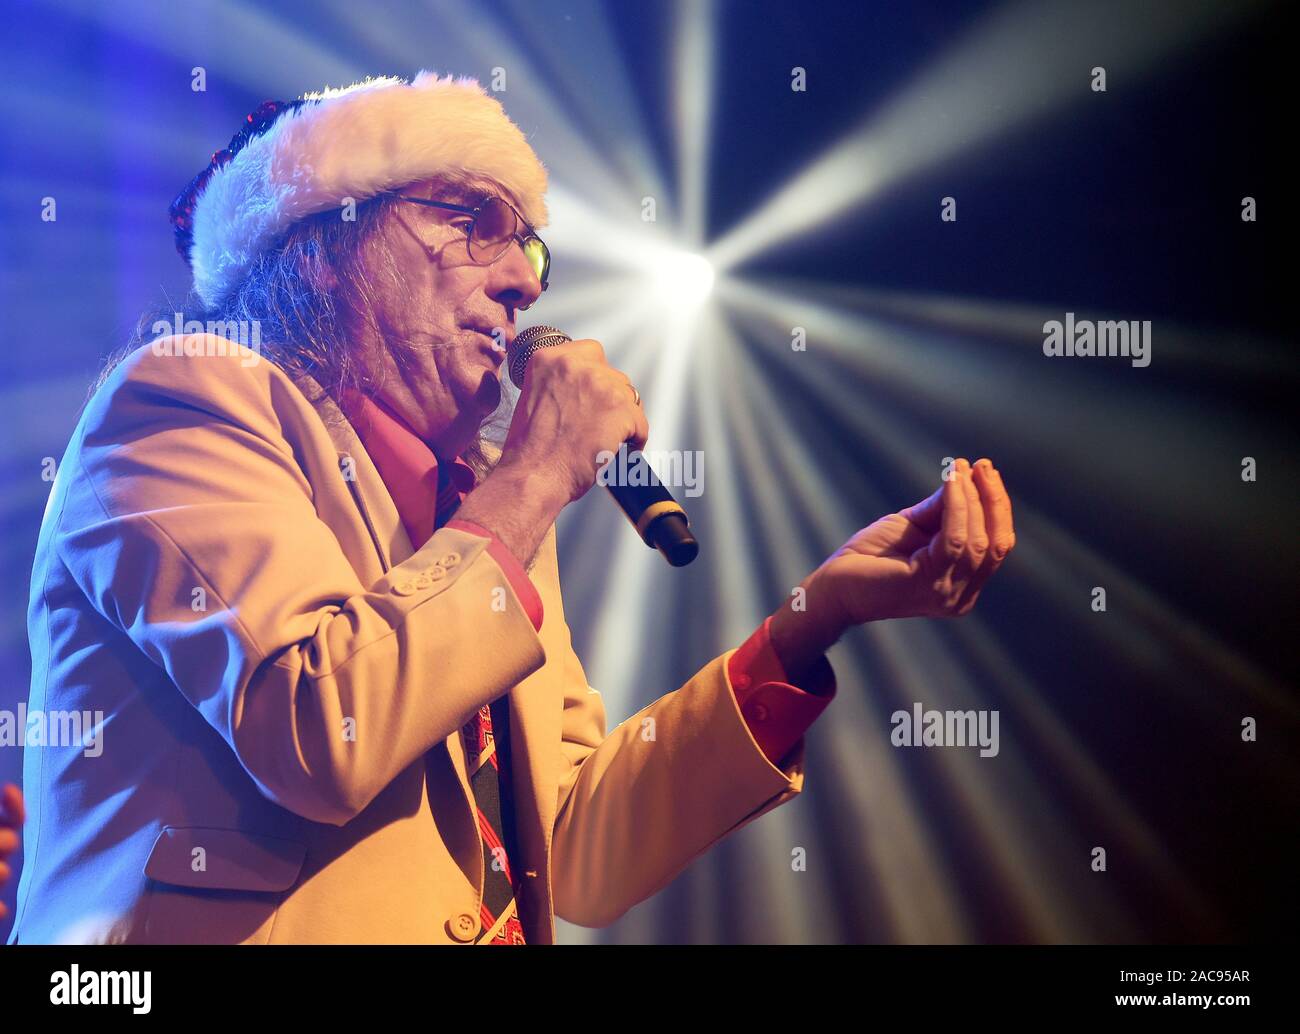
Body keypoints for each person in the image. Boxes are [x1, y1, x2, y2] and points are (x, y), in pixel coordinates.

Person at [7, 71, 1014, 944]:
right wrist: (530, 479)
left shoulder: (481, 506)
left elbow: (578, 845)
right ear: (320, 244)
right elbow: (316, 728)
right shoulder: (186, 396)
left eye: (529, 248)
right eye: (468, 219)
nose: (520, 282)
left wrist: (812, 619)